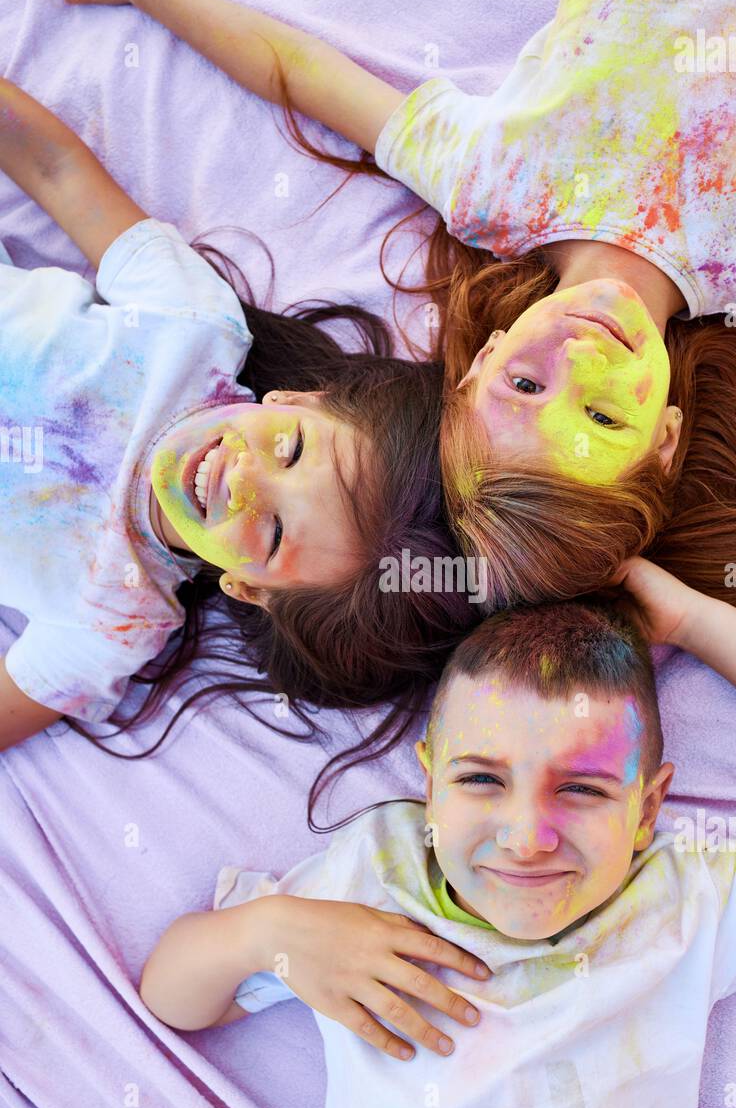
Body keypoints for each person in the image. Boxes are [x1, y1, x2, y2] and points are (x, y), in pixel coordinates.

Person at [43, 0, 736, 622]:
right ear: (664, 439)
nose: (578, 362)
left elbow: (297, 71)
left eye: (525, 387)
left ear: (479, 361)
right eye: (604, 416)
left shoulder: (490, 191)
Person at [139, 560, 736, 1108]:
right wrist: (266, 934)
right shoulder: (372, 878)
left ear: (645, 810)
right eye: (481, 780)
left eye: (580, 788)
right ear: (428, 784)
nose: (525, 837)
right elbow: (174, 998)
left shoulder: (683, 908)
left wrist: (696, 623)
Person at [0, 78, 478, 753]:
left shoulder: (113, 617)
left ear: (252, 590)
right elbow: (57, 169)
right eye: (291, 451)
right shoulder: (194, 330)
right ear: (297, 400)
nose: (246, 481)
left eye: (276, 532)